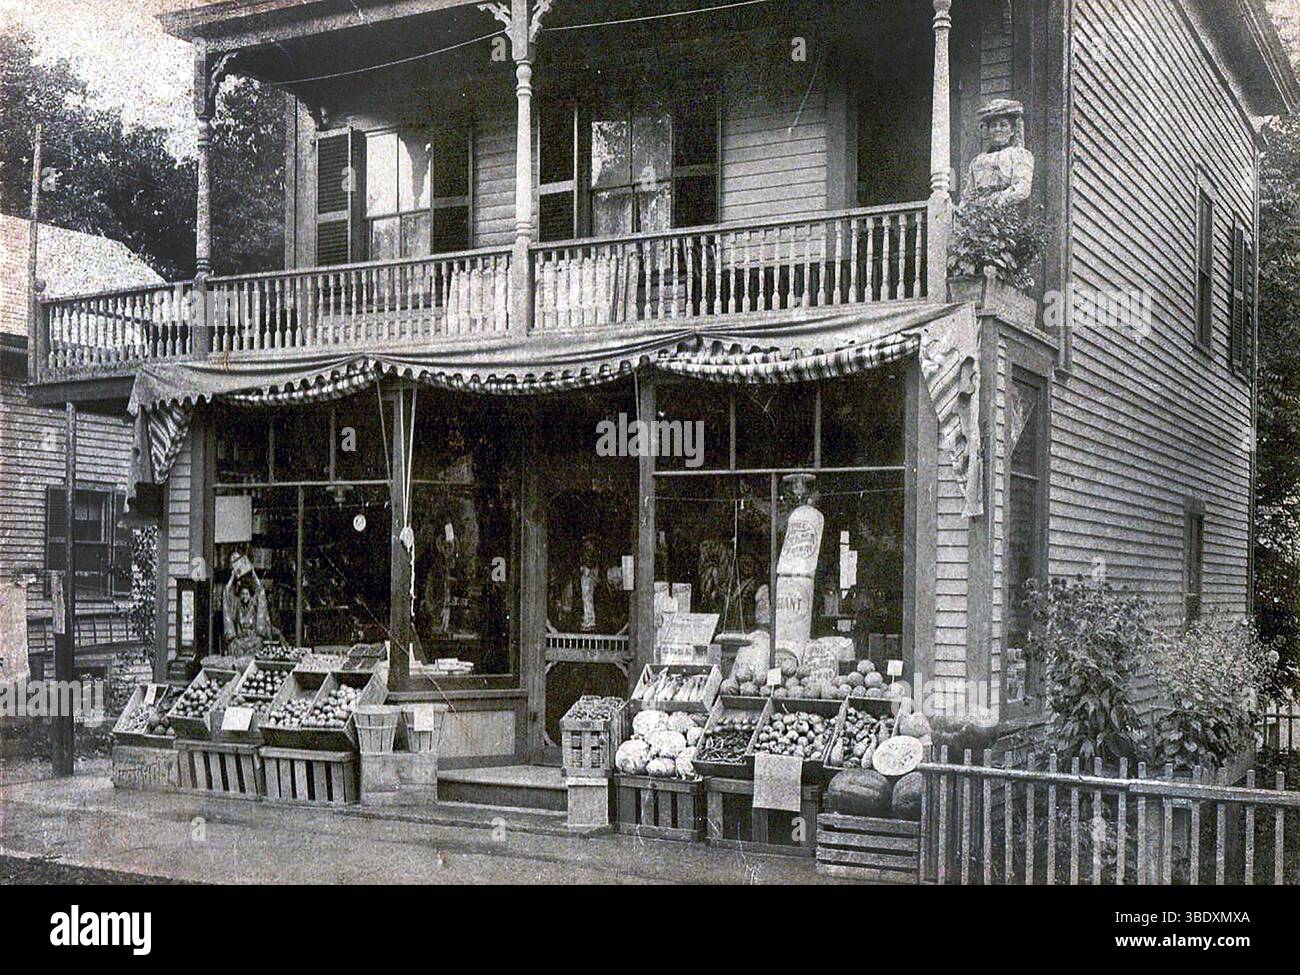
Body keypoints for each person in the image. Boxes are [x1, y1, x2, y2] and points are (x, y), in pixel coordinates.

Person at [962, 98, 1035, 205]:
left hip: (1008, 214)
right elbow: (968, 195)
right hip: (978, 216)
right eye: (993, 126)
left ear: (1012, 130)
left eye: (1003, 125)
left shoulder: (1019, 155)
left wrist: (995, 202)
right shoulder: (977, 162)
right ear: (988, 131)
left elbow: (1022, 189)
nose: (997, 129)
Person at [222, 552, 274, 655]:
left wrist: (253, 574)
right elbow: (227, 594)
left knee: (259, 644)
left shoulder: (254, 603)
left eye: (247, 594)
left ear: (250, 595)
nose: (244, 596)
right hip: (241, 641)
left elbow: (260, 591)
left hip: (253, 640)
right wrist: (232, 578)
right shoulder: (237, 604)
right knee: (234, 646)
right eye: (242, 594)